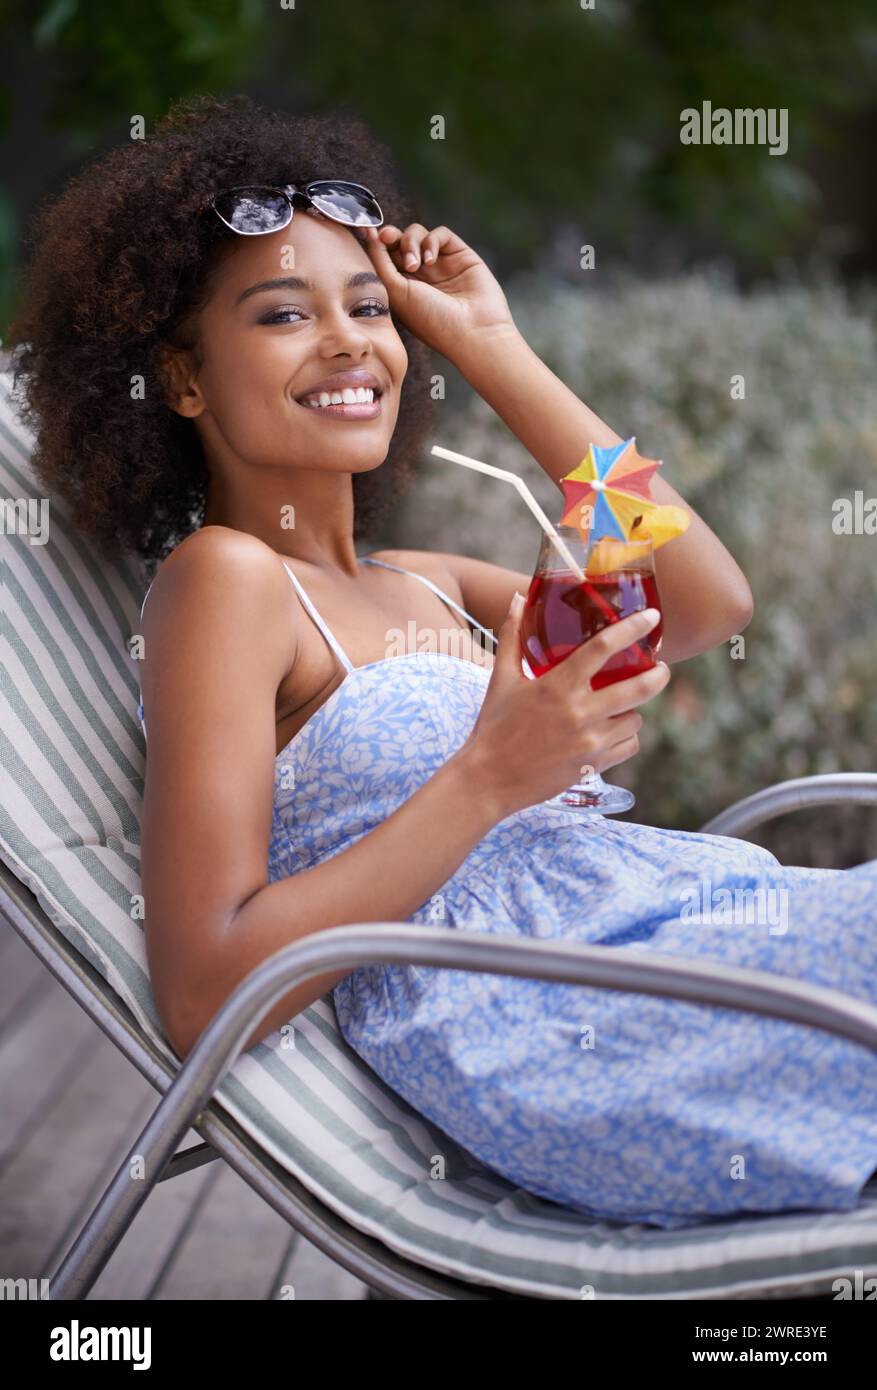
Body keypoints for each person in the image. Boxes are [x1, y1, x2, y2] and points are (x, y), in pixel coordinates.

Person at [10, 95, 877, 1229]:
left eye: (369, 307)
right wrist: (489, 776)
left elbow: (705, 598)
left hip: (678, 935)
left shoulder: (427, 582)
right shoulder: (227, 582)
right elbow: (207, 984)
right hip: (570, 1021)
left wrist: (494, 349)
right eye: (282, 314)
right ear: (181, 381)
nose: (349, 339)